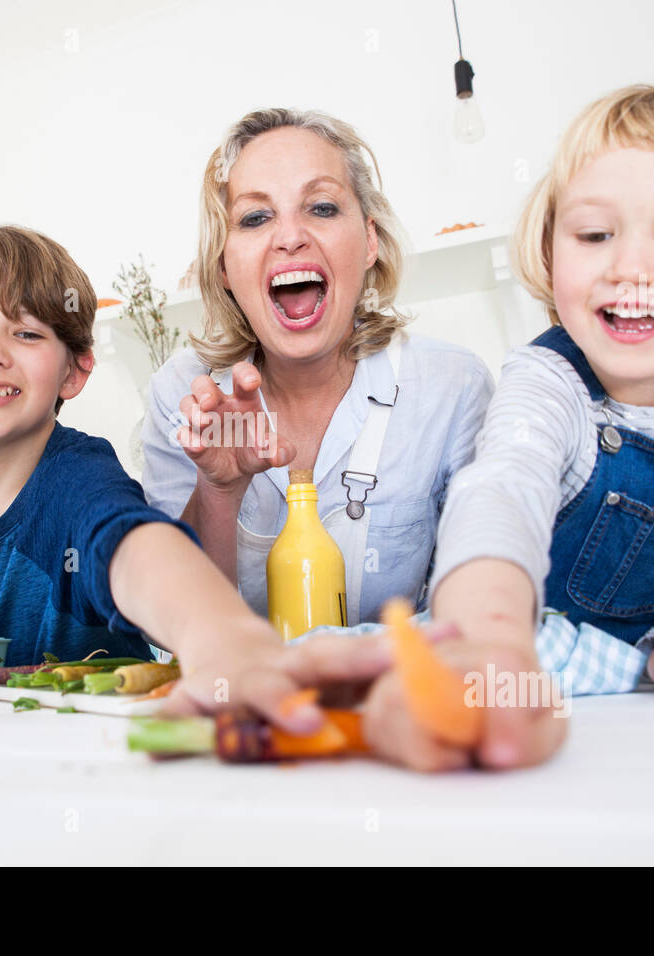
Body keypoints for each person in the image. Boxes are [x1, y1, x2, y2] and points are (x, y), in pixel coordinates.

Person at [366, 85, 654, 770]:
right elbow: (502, 493)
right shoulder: (549, 381)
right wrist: (491, 642)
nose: (629, 268)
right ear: (552, 249)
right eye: (594, 235)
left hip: (631, 716)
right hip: (504, 668)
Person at [0, 226, 391, 723]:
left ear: (75, 371)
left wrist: (224, 639)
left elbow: (135, 547)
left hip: (90, 739)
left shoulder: (79, 476)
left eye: (25, 332)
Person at [141, 107, 493, 633]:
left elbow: (480, 607)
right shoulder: (184, 395)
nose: (290, 237)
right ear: (223, 267)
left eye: (322, 207)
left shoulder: (452, 388)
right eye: (256, 218)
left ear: (370, 241)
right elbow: (166, 625)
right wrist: (218, 492)